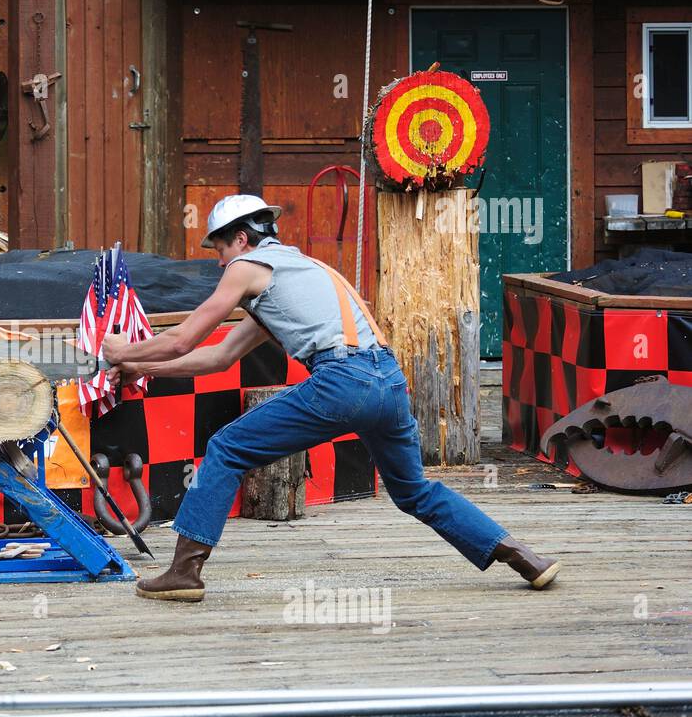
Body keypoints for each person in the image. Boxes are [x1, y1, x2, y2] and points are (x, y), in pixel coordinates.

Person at [102, 194, 561, 603]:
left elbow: (184, 339)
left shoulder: (247, 268)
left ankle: (184, 572)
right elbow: (217, 358)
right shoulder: (300, 272)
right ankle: (522, 556)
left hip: (344, 381)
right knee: (415, 492)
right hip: (388, 381)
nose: (220, 264)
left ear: (241, 239)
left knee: (225, 448)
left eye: (219, 250)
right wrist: (143, 367)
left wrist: (121, 351)